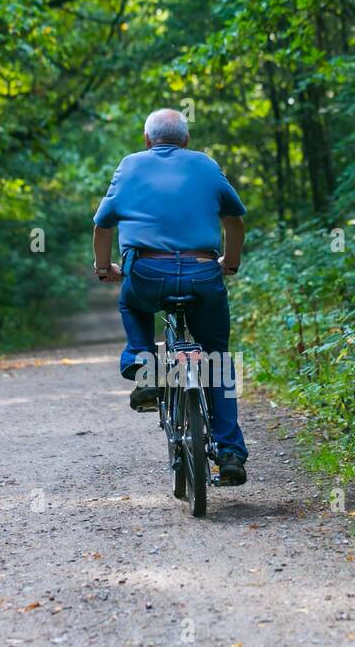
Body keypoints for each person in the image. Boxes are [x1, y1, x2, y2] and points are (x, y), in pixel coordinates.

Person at [91, 108, 248, 486]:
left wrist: (103, 268)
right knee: (219, 359)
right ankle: (229, 452)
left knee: (132, 301)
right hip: (203, 273)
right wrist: (231, 262)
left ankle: (146, 367)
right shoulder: (207, 166)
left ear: (147, 140)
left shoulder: (129, 166)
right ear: (186, 140)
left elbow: (102, 225)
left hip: (147, 273)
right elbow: (234, 222)